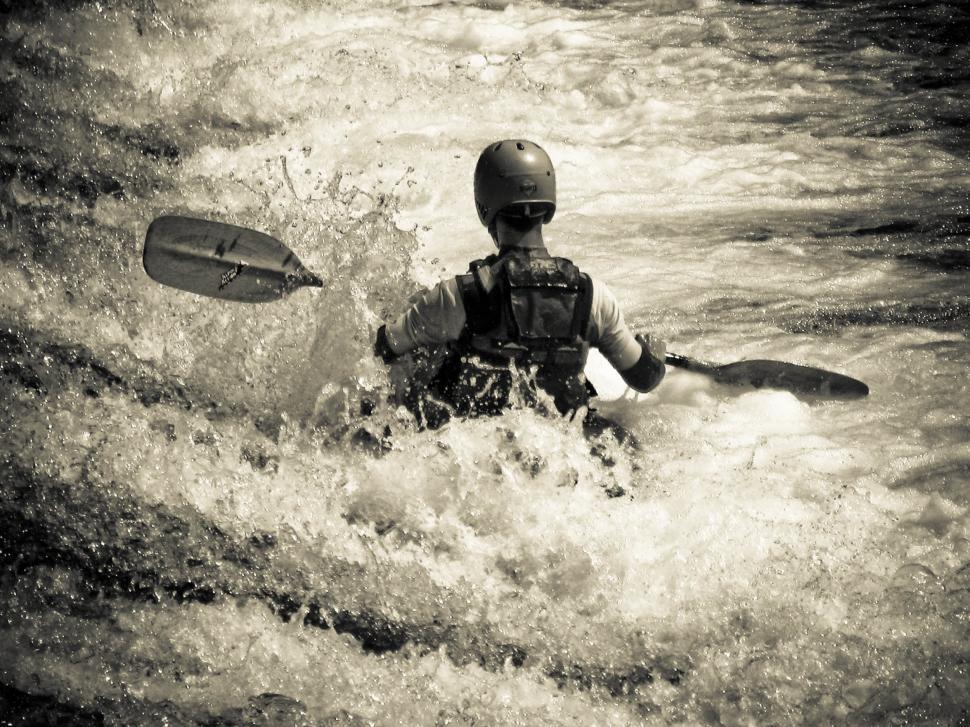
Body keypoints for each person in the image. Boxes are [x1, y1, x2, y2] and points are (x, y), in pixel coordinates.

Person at [373, 139, 666, 439]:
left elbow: (383, 347)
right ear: (548, 207)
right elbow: (644, 378)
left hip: (473, 447)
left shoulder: (456, 297)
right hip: (563, 446)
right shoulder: (593, 297)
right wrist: (653, 352)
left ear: (484, 206)